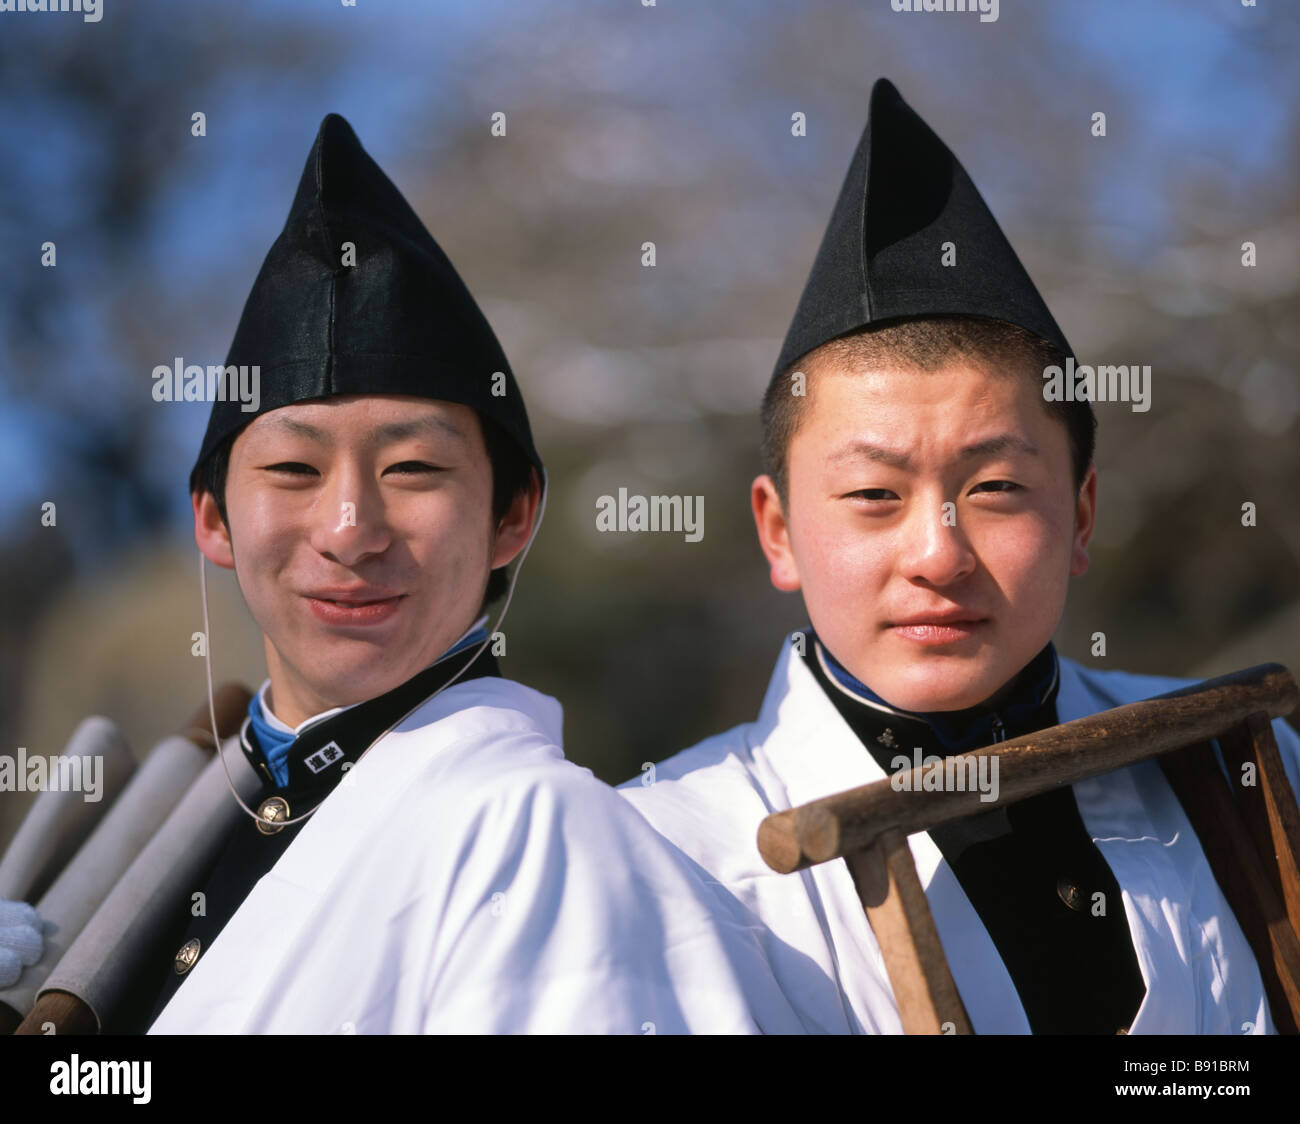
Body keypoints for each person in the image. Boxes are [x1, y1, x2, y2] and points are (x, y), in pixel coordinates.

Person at [619, 78, 1300, 1035]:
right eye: (872, 496)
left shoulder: (1237, 765)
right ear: (778, 532)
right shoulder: (655, 850)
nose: (939, 555)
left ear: (1084, 514)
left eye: (995, 490)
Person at [142, 113, 800, 1034]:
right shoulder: (167, 845)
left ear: (512, 515)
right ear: (213, 518)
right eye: (293, 470)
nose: (349, 529)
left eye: (412, 469)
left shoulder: (538, 835)